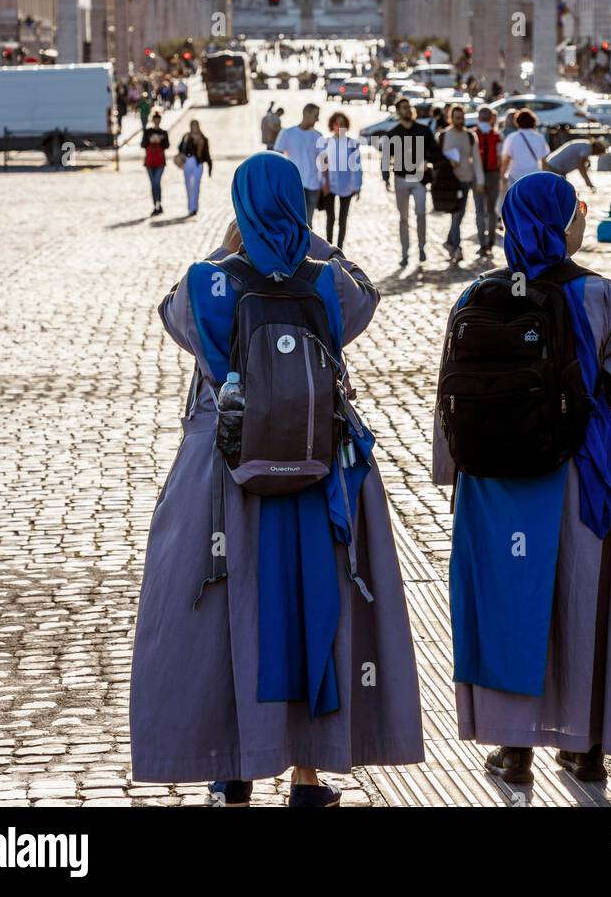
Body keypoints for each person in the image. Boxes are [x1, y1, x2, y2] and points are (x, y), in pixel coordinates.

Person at [130, 152, 425, 805]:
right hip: (319, 469)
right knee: (313, 609)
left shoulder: (210, 282)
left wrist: (231, 244)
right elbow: (365, 293)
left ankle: (233, 767)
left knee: (229, 616)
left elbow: (171, 311)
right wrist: (305, 239)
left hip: (227, 475)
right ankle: (309, 774)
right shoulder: (325, 282)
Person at [433, 171, 611, 785]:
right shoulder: (600, 296)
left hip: (493, 486)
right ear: (561, 222)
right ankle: (587, 746)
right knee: (585, 602)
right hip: (582, 472)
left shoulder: (475, 296)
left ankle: (514, 749)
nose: (582, 221)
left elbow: (450, 397)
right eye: (576, 213)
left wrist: (453, 471)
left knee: (510, 606)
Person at [380, 97, 439, 267]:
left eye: (408, 107)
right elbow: (385, 158)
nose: (407, 110)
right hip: (400, 179)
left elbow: (435, 152)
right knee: (403, 218)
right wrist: (385, 178)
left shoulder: (423, 130)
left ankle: (422, 248)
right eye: (403, 108)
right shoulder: (393, 133)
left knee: (421, 214)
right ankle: (404, 253)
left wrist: (428, 162)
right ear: (398, 112)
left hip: (419, 179)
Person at [437, 104, 485, 263]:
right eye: (457, 117)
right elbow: (436, 158)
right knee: (456, 215)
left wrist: (480, 180)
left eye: (462, 117)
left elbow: (476, 159)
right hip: (450, 181)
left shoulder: (470, 136)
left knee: (460, 214)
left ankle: (450, 241)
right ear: (451, 118)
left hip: (466, 180)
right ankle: (456, 248)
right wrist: (448, 162)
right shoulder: (443, 136)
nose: (460, 120)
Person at [273, 103, 324, 222]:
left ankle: (307, 241)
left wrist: (325, 182)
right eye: (315, 115)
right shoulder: (287, 133)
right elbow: (276, 158)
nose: (317, 119)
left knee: (308, 223)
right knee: (294, 220)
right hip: (294, 184)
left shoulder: (318, 136)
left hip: (313, 184)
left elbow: (324, 161)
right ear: (306, 113)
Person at [319, 111, 362, 250]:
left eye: (342, 124)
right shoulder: (326, 143)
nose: (339, 126)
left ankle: (339, 248)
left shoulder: (352, 144)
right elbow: (321, 165)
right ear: (332, 125)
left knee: (342, 219)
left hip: (347, 186)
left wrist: (357, 186)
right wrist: (323, 183)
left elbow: (357, 167)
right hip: (329, 186)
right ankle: (329, 247)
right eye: (337, 123)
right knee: (330, 218)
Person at [474, 107, 502, 258]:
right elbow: (499, 158)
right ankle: (490, 242)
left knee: (479, 212)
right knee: (491, 211)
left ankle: (482, 243)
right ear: (491, 118)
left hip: (477, 175)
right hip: (493, 174)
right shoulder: (497, 136)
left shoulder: (473, 134)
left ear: (479, 118)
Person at [500, 108, 550, 194]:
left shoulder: (512, 138)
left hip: (515, 178)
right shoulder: (540, 137)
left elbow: (506, 160)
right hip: (534, 176)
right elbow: (544, 161)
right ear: (533, 121)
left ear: (517, 122)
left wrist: (502, 177)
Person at [178, 119, 213, 216]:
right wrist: (188, 141)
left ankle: (194, 207)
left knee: (196, 186)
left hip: (198, 164)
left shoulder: (203, 139)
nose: (194, 127)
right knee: (188, 185)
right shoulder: (187, 137)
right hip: (188, 162)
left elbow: (207, 154)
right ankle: (190, 206)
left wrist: (210, 167)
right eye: (192, 125)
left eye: (196, 125)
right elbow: (180, 149)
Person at [141, 111, 170, 216]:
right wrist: (150, 140)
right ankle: (155, 204)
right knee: (153, 184)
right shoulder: (148, 132)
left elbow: (167, 145)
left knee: (157, 182)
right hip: (150, 161)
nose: (157, 121)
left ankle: (159, 203)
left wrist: (160, 141)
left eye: (158, 119)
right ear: (153, 120)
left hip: (160, 161)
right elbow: (143, 144)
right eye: (155, 119)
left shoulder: (163, 132)